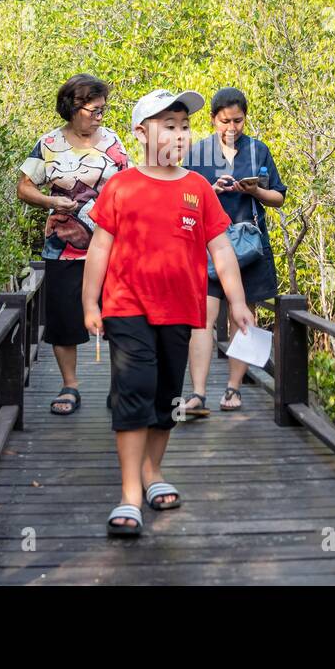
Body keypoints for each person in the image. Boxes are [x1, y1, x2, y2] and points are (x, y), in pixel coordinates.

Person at [82, 89, 254, 536]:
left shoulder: (197, 188)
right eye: (168, 127)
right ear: (142, 132)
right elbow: (100, 247)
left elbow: (221, 248)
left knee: (166, 397)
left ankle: (152, 471)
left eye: (184, 127)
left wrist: (236, 302)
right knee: (135, 389)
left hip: (180, 310)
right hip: (127, 307)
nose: (179, 136)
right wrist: (89, 302)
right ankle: (129, 495)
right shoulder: (121, 186)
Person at [17, 74, 130, 416]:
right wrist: (51, 202)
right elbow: (24, 188)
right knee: (65, 317)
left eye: (103, 110)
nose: (100, 116)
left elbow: (131, 184)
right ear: (73, 108)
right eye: (95, 110)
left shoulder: (112, 141)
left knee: (120, 315)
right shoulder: (49, 142)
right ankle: (70, 385)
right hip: (62, 245)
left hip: (111, 244)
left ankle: (121, 386)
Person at [181, 87, 287, 414]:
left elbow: (279, 197)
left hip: (248, 245)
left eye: (238, 120)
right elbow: (184, 201)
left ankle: (233, 387)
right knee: (203, 317)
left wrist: (256, 191)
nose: (232, 127)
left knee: (244, 316)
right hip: (209, 245)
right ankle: (198, 393)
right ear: (213, 119)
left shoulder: (258, 150)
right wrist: (209, 190)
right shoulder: (198, 154)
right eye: (225, 121)